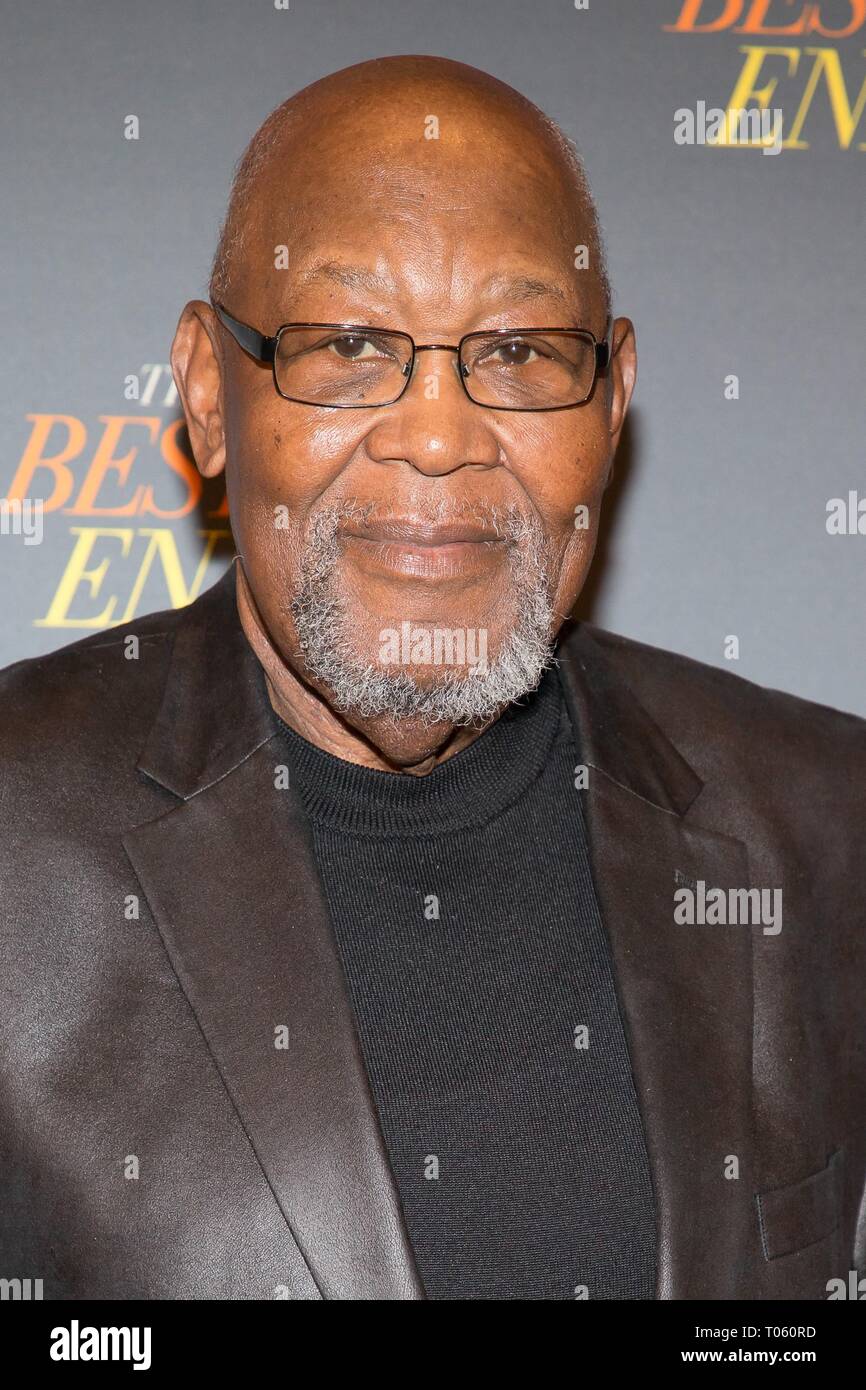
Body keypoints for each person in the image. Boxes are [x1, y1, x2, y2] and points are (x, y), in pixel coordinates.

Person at [1, 55, 864, 1301]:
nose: (440, 434)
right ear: (203, 392)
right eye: (349, 343)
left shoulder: (825, 833)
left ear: (612, 403)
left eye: (516, 350)